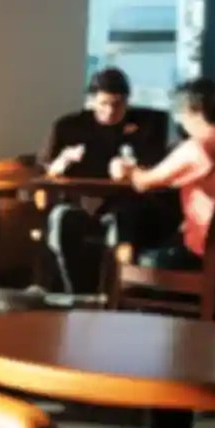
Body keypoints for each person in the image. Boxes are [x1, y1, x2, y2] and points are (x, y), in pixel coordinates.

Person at [38, 68, 173, 293]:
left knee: (123, 222)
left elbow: (158, 169)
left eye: (118, 104)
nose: (110, 111)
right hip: (81, 201)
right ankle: (76, 294)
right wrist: (62, 161)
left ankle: (117, 294)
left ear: (128, 102)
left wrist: (132, 167)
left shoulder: (147, 125)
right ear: (91, 101)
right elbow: (47, 169)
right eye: (103, 103)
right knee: (62, 220)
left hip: (129, 203)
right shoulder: (70, 126)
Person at [112, 78, 215, 269]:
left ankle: (119, 292)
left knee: (129, 234)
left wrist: (126, 169)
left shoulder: (199, 148)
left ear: (193, 111)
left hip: (203, 250)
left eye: (179, 113)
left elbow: (143, 183)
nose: (179, 120)